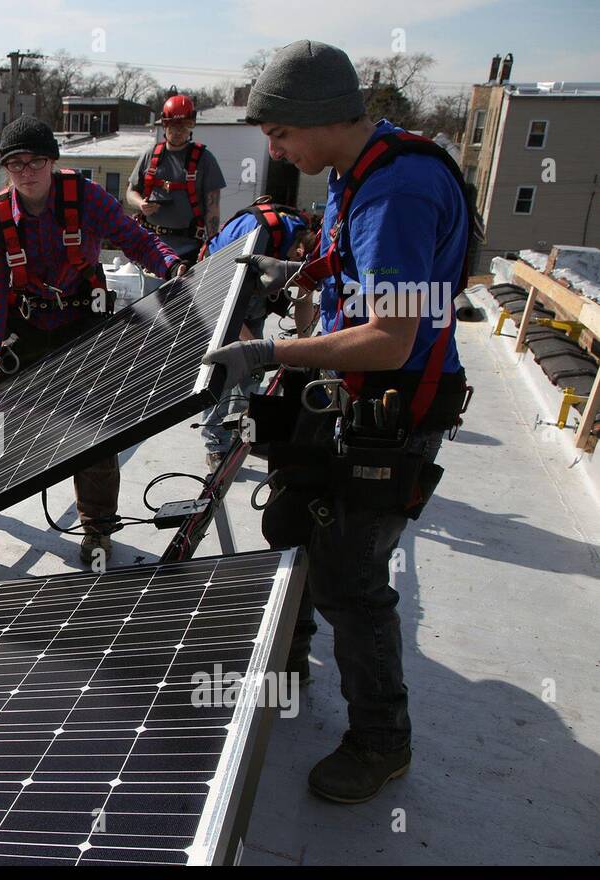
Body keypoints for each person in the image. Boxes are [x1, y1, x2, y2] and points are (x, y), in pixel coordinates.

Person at [202, 40, 476, 804]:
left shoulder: (399, 191)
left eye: (280, 133)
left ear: (319, 116)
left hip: (391, 411)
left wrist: (269, 352)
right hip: (343, 394)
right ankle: (284, 658)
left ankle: (381, 742)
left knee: (352, 582)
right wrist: (296, 273)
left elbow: (391, 338)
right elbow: (358, 272)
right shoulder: (363, 170)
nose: (274, 150)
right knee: (292, 524)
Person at [0, 114, 181, 565]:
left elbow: (136, 240)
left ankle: (97, 528)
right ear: (6, 169)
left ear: (52, 161)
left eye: (35, 161)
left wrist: (172, 266)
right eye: (15, 163)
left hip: (83, 319)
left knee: (94, 428)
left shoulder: (84, 198)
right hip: (27, 326)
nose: (26, 172)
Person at [198, 199, 315, 470]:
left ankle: (245, 433)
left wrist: (304, 347)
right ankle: (216, 445)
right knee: (225, 373)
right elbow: (223, 304)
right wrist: (254, 347)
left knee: (253, 374)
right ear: (298, 250)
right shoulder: (253, 232)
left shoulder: (303, 244)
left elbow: (304, 295)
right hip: (220, 286)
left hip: (254, 292)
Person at [126, 92, 226, 265]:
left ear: (191, 126)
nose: (178, 131)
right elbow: (130, 192)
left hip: (188, 249)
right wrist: (141, 203)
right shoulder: (151, 156)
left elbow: (213, 208)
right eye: (173, 126)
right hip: (150, 247)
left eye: (185, 126)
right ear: (165, 125)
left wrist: (212, 245)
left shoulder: (204, 159)